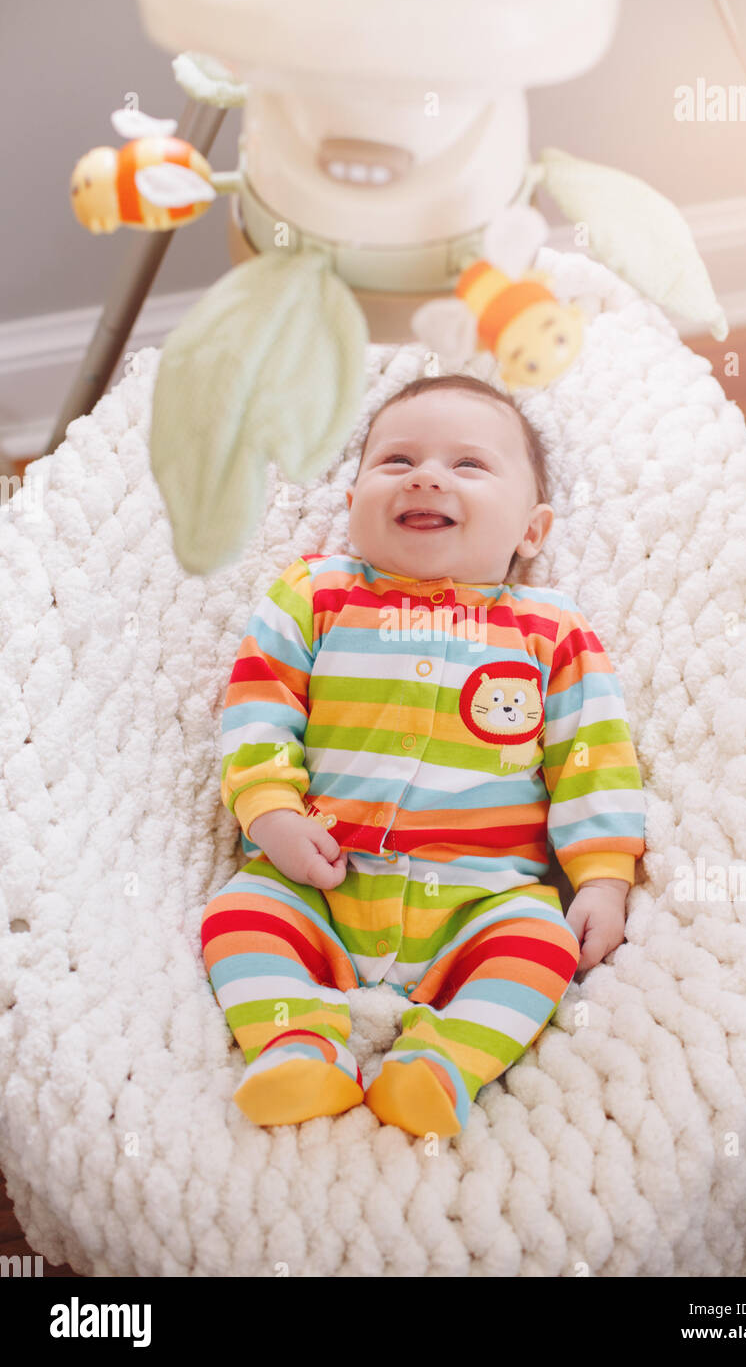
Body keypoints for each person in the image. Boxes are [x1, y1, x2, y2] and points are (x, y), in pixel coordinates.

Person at [201, 372, 646, 1136]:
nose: (428, 476)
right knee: (238, 914)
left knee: (541, 944)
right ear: (353, 511)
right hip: (321, 881)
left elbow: (592, 758)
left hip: (481, 900)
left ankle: (441, 1066)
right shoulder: (315, 595)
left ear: (530, 531)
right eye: (397, 462)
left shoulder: (549, 631)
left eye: (469, 466)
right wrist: (269, 812)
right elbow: (257, 708)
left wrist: (601, 877)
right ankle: (297, 1044)